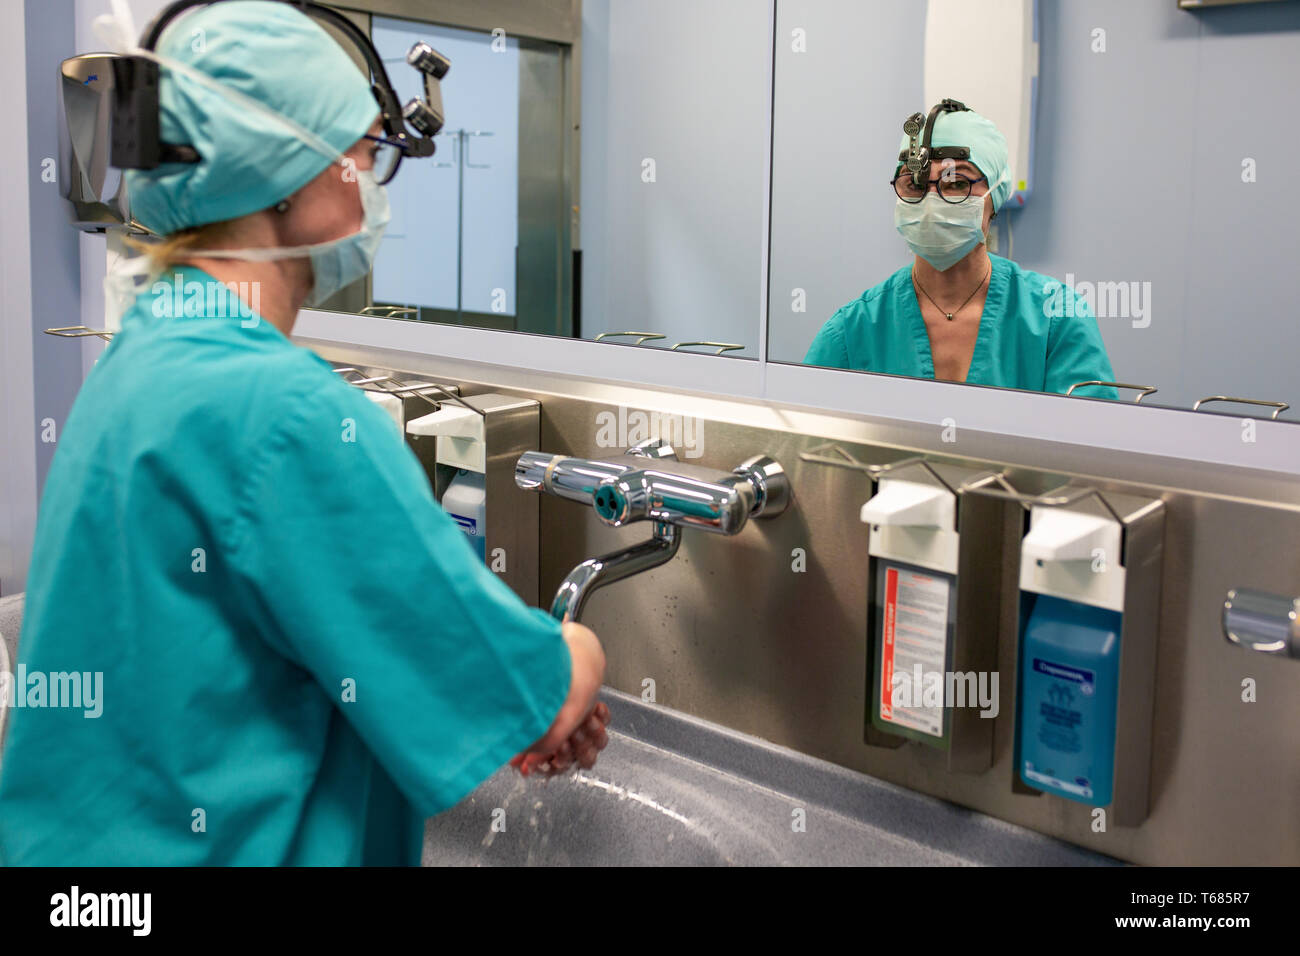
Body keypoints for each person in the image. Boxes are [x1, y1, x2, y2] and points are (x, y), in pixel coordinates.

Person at [0, 0, 607, 866]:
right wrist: (577, 650)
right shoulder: (287, 415)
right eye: (362, 149)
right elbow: (533, 697)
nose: (373, 177)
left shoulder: (142, 356)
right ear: (288, 171)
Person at [804, 105, 1118, 400]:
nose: (931, 201)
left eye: (956, 183)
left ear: (996, 194)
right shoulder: (854, 329)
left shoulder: (1055, 318)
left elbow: (1091, 446)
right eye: (914, 185)